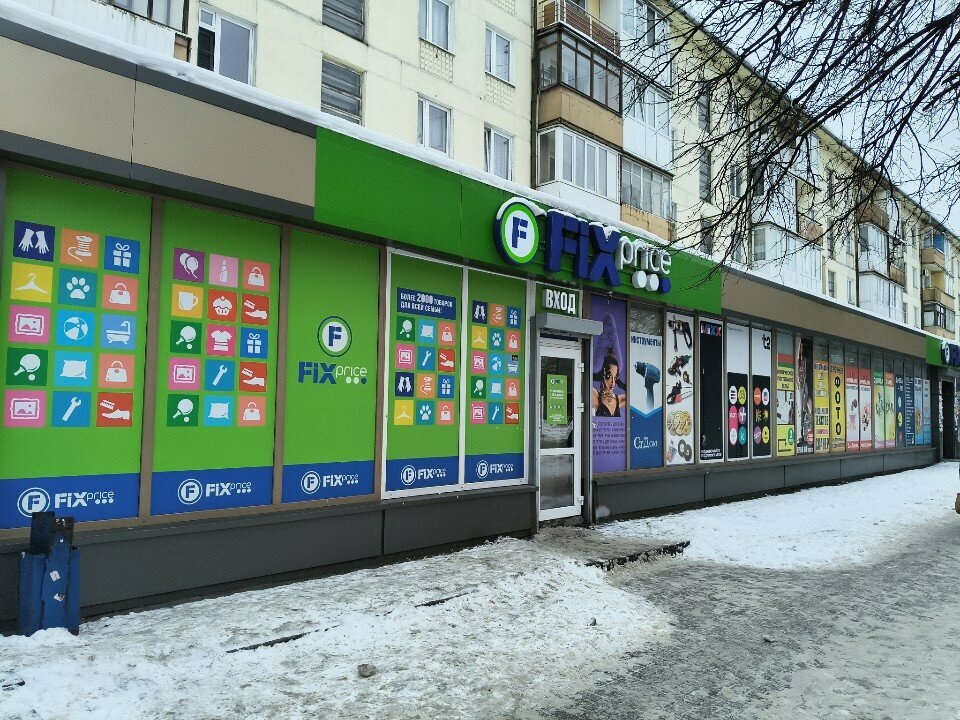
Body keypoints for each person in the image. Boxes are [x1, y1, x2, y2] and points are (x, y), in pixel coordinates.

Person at [592, 348, 627, 417]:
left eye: (615, 377)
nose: (612, 382)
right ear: (603, 375)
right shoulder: (596, 396)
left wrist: (620, 383)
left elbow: (635, 397)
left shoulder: (619, 400)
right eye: (609, 376)